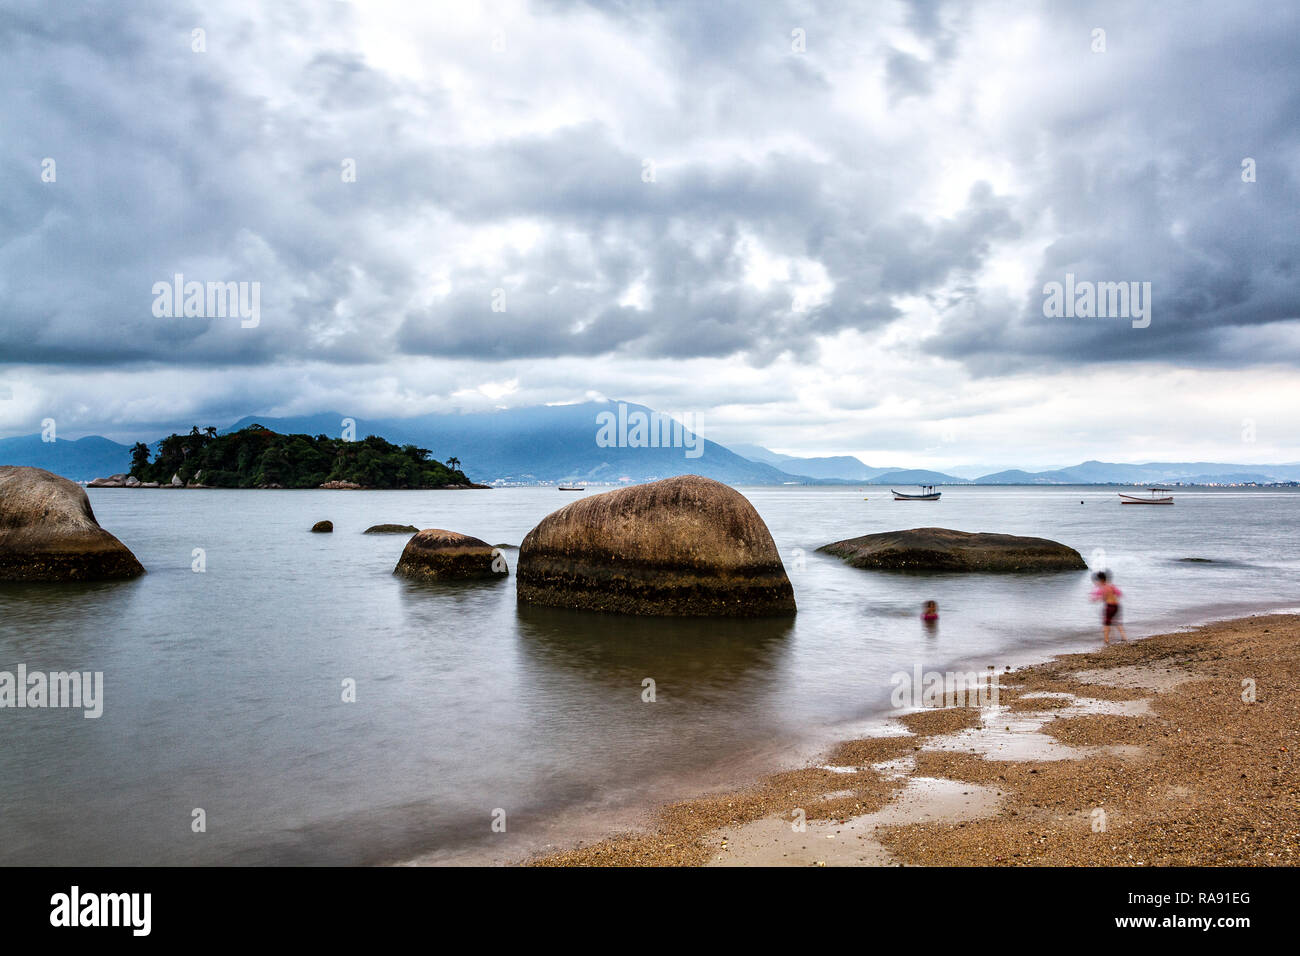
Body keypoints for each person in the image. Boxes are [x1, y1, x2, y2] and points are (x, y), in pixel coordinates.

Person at [1090, 571, 1128, 644]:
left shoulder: (1102, 588)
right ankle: (1124, 636)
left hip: (1109, 607)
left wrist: (1096, 598)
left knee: (1106, 623)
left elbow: (1096, 598)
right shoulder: (1111, 586)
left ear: (1100, 580)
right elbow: (1119, 593)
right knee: (1117, 621)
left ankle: (1106, 639)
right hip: (1116, 605)